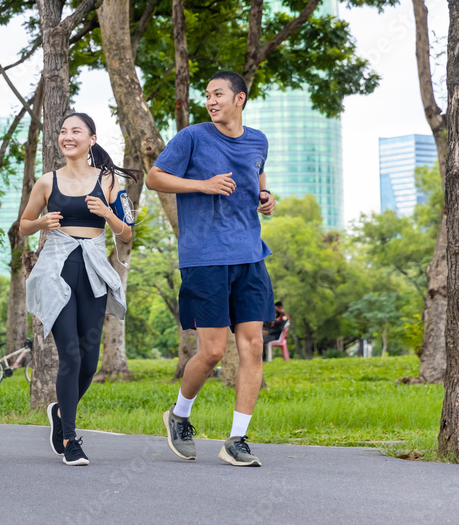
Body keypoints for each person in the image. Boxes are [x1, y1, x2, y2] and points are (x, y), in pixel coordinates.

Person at [146, 70, 276, 468]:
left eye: (218, 94)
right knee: (214, 351)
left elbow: (257, 171)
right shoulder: (192, 137)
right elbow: (154, 178)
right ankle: (179, 415)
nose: (211, 100)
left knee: (253, 345)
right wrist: (203, 185)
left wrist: (266, 194)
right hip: (204, 256)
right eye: (207, 95)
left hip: (250, 255)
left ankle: (237, 438)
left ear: (239, 98)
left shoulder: (258, 140)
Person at [19, 113, 135, 466]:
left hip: (94, 270)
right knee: (70, 355)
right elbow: (23, 226)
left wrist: (107, 212)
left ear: (92, 139)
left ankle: (60, 412)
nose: (68, 136)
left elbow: (127, 232)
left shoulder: (110, 180)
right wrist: (40, 222)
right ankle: (70, 438)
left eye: (76, 131)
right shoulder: (46, 182)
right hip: (57, 270)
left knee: (89, 361)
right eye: (63, 131)